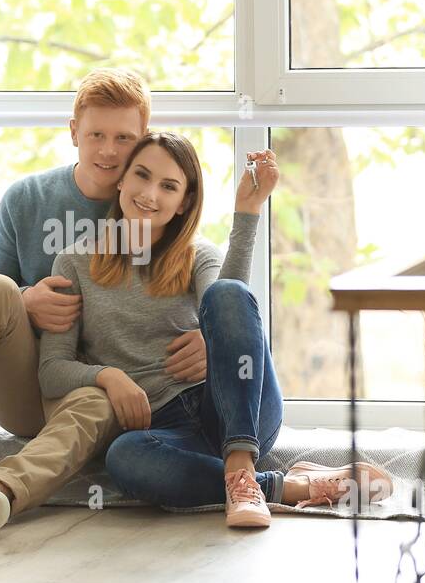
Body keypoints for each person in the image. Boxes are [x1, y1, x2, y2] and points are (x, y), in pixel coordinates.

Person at [0, 69, 215, 539]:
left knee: (94, 400)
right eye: (96, 134)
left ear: (141, 145)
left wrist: (209, 337)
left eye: (123, 138)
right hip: (29, 382)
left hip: (101, 397)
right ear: (74, 131)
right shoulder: (26, 200)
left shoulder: (148, 203)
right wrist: (25, 298)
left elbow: (205, 282)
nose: (109, 150)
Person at [37, 132, 391, 528]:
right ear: (121, 179)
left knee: (227, 292)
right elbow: (52, 369)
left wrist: (248, 210)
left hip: (236, 409)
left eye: (168, 186)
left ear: (183, 202)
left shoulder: (199, 255)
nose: (150, 194)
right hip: (163, 431)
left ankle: (240, 460)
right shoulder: (72, 263)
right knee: (123, 458)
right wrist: (107, 376)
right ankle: (282, 487)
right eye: (141, 175)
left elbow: (229, 301)